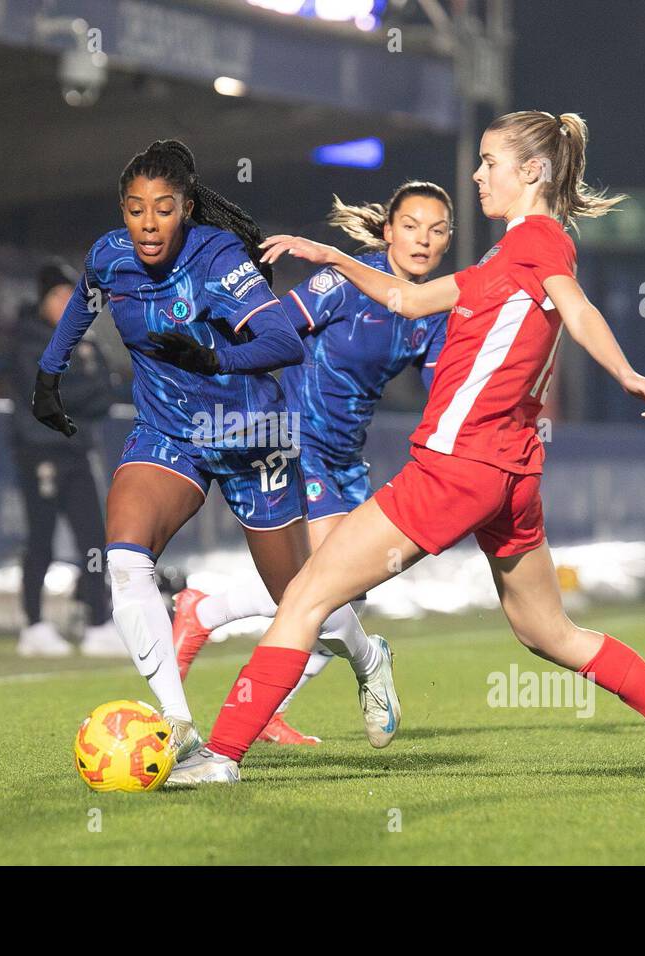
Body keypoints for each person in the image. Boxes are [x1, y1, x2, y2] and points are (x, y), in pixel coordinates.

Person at [168, 111, 645, 787]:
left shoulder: (537, 242)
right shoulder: (504, 263)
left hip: (455, 470)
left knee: (305, 597)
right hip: (511, 474)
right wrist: (332, 257)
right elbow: (406, 301)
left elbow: (576, 307)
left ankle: (222, 757)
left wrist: (625, 373)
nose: (477, 175)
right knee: (549, 634)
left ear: (531, 172)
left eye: (489, 162)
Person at [35, 139, 399, 762]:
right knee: (125, 560)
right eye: (135, 208)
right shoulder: (110, 255)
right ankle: (179, 730)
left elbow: (284, 340)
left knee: (298, 599)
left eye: (164, 208)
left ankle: (368, 657)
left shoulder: (218, 259)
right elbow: (86, 298)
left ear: (187, 208)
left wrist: (213, 357)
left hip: (249, 432)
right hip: (168, 432)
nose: (148, 224)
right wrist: (49, 372)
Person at [171, 182, 453, 746]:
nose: (423, 238)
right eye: (412, 225)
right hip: (297, 442)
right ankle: (218, 624)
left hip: (346, 455)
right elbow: (278, 327)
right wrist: (212, 358)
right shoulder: (344, 280)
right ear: (388, 230)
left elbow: (442, 389)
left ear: (449, 241)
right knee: (322, 590)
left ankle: (215, 620)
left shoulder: (433, 309)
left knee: (338, 595)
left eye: (437, 229)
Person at [9, 258, 124, 657]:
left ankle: (97, 622)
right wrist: (87, 386)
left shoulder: (82, 339)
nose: (66, 304)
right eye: (59, 296)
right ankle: (33, 625)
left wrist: (84, 388)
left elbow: (108, 394)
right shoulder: (27, 339)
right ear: (43, 299)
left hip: (76, 451)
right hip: (40, 452)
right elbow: (50, 395)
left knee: (93, 538)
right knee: (40, 540)